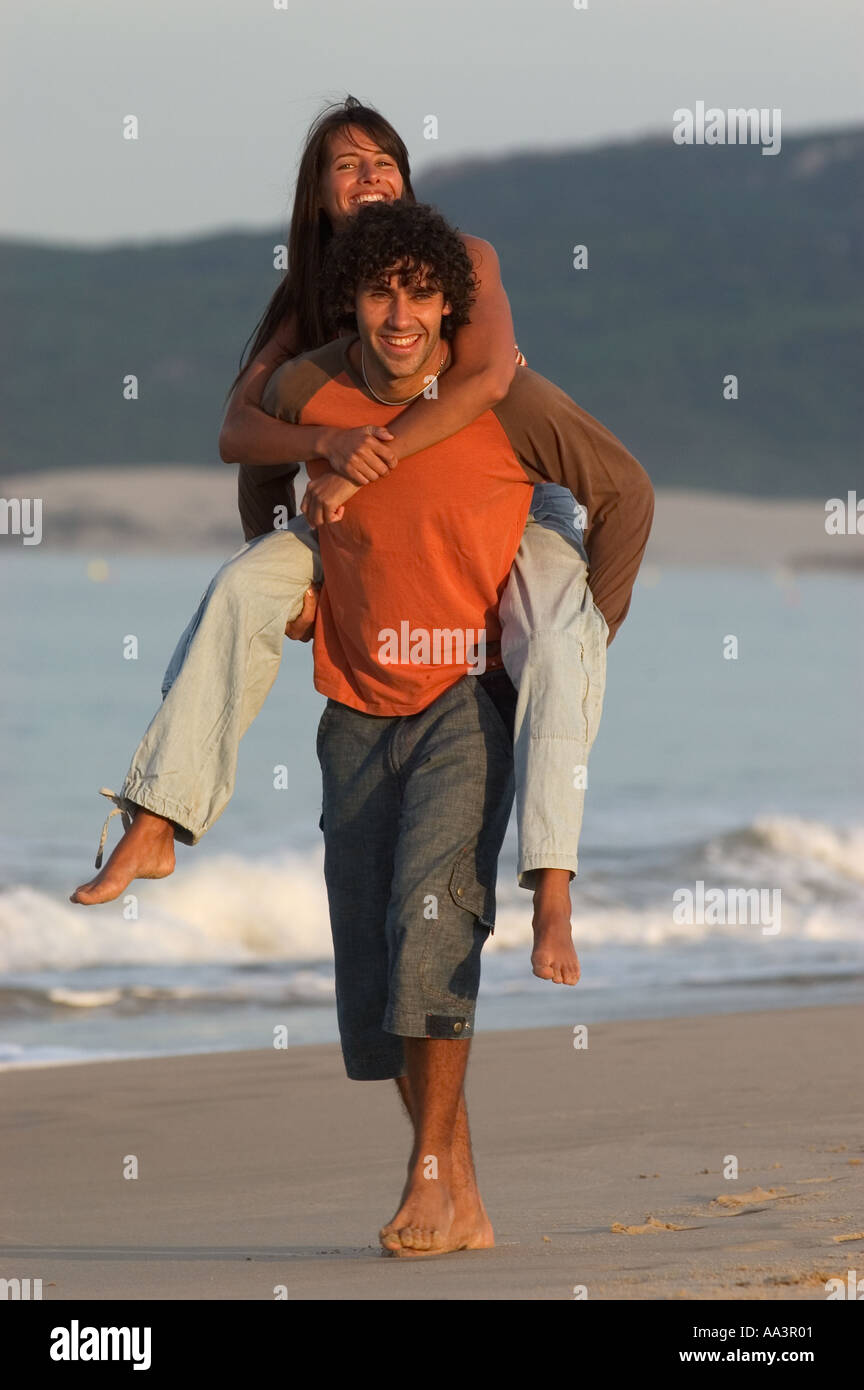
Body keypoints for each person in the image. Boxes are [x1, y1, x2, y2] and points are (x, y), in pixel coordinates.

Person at [70, 95, 651, 988]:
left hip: (505, 498)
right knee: (241, 587)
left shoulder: (463, 261)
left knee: (560, 644)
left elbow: (486, 382)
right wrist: (318, 483)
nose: (370, 176)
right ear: (319, 198)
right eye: (347, 165)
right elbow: (243, 436)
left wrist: (356, 466)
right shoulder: (307, 308)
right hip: (367, 516)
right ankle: (157, 820)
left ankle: (553, 890)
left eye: (385, 161)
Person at [255, 198, 651, 1254]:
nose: (400, 315)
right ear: (351, 301)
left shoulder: (505, 400)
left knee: (435, 926)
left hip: (469, 700)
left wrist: (585, 636)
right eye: (380, 293)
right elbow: (253, 449)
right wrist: (290, 576)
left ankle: (430, 1179)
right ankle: (460, 1192)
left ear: (450, 307)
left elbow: (625, 489)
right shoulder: (315, 389)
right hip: (354, 703)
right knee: (377, 965)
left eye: (421, 295)